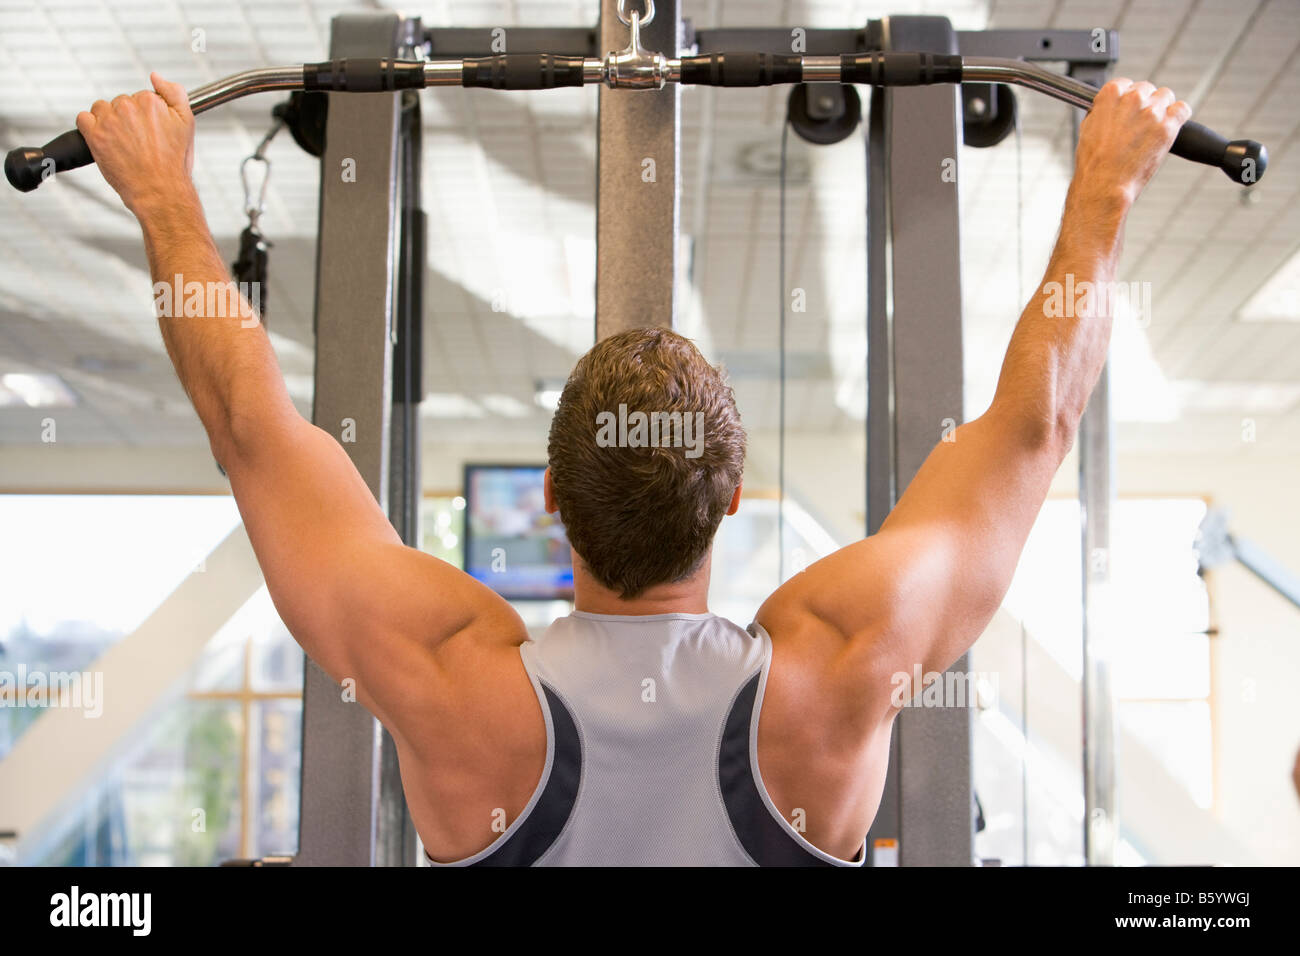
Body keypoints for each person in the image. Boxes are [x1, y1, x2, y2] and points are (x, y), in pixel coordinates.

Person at [75, 72, 1190, 865]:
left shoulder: (454, 678)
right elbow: (1037, 423)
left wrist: (164, 193)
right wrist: (1105, 189)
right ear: (733, 500)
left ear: (552, 498)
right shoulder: (837, 660)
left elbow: (246, 423)